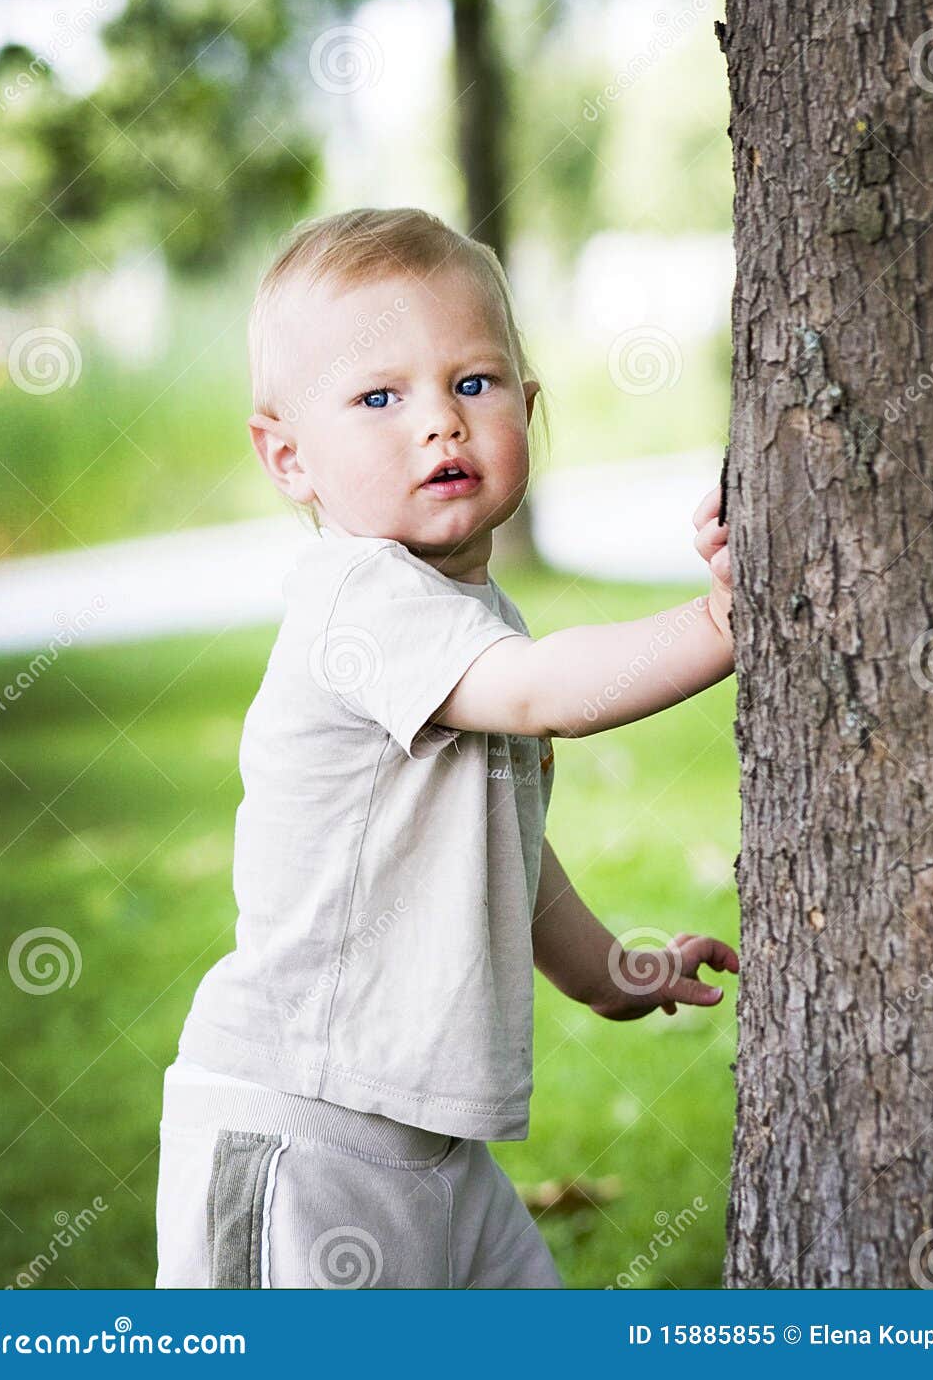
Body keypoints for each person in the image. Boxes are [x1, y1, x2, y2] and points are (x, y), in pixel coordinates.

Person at [154, 207, 738, 1290]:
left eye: (474, 382)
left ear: (529, 407)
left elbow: (504, 853)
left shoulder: (472, 620)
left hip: (433, 1151)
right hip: (302, 1136)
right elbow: (550, 694)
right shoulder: (360, 599)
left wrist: (611, 973)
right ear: (288, 456)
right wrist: (719, 623)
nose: (439, 423)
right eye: (378, 397)